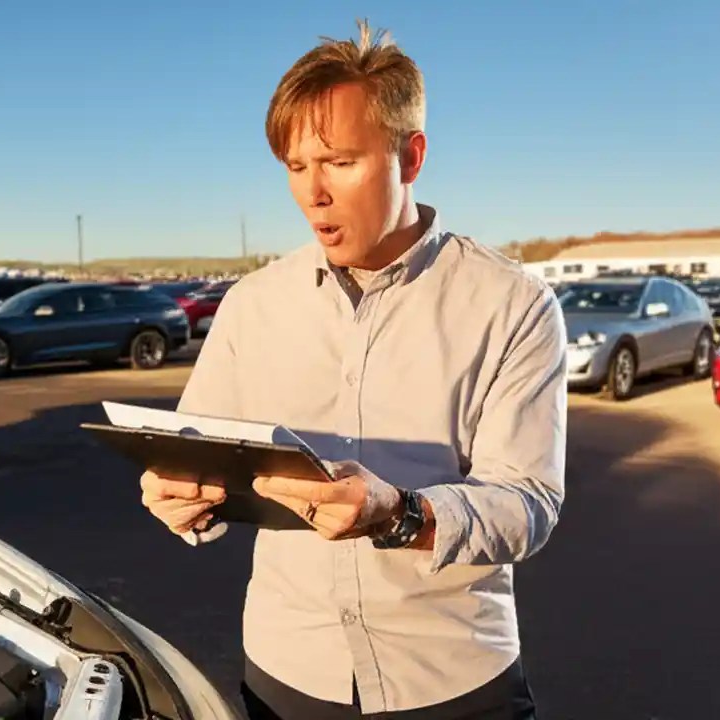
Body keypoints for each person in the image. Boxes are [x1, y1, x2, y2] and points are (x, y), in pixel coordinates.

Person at [139, 19, 567, 720]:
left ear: (411, 156)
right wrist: (182, 499)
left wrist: (398, 514)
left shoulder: (511, 302)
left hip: (451, 678)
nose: (314, 193)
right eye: (295, 167)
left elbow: (528, 504)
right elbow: (199, 453)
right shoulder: (252, 305)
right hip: (288, 669)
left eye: (338, 161)